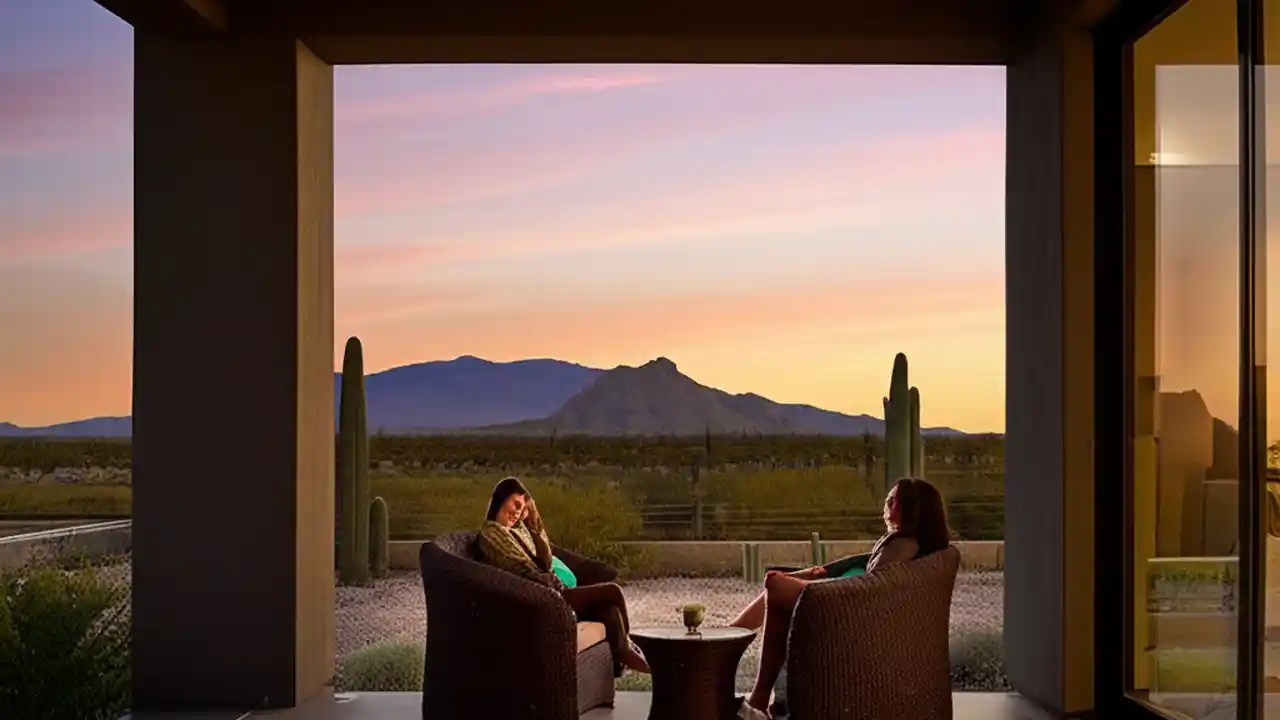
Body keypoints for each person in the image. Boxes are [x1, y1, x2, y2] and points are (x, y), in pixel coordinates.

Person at [730, 477, 953, 720]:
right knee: (778, 586)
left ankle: (748, 677)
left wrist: (819, 586)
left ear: (911, 510)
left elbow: (870, 593)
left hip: (849, 619)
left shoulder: (901, 546)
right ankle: (738, 649)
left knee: (776, 584)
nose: (885, 505)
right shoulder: (913, 547)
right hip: (852, 606)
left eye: (892, 501)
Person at [476, 476, 650, 674]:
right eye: (515, 504)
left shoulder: (517, 531)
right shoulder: (492, 533)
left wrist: (533, 520)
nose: (517, 512)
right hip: (542, 596)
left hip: (550, 590)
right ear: (501, 498)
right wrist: (551, 579)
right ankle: (627, 647)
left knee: (609, 612)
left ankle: (623, 661)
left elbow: (546, 561)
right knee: (613, 592)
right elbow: (523, 568)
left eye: (522, 508)